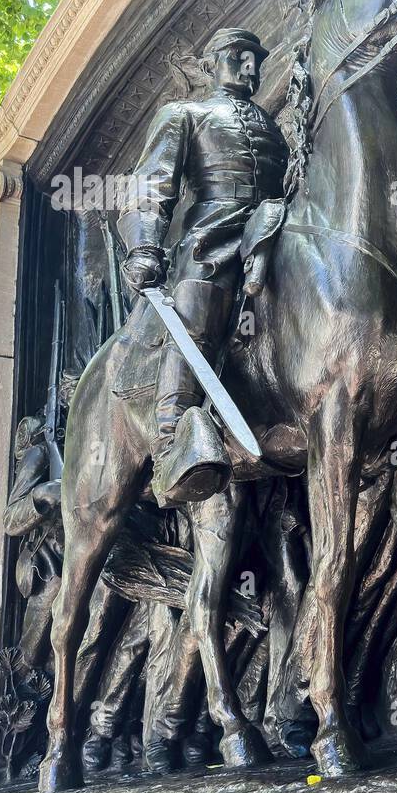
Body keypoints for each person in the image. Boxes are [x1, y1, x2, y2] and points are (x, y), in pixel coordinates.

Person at [116, 27, 287, 506]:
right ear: (213, 62)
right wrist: (145, 246)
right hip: (214, 236)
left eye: (256, 59)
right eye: (240, 57)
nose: (251, 67)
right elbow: (150, 185)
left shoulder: (272, 126)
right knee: (199, 302)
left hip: (274, 227)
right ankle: (172, 440)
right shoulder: (183, 115)